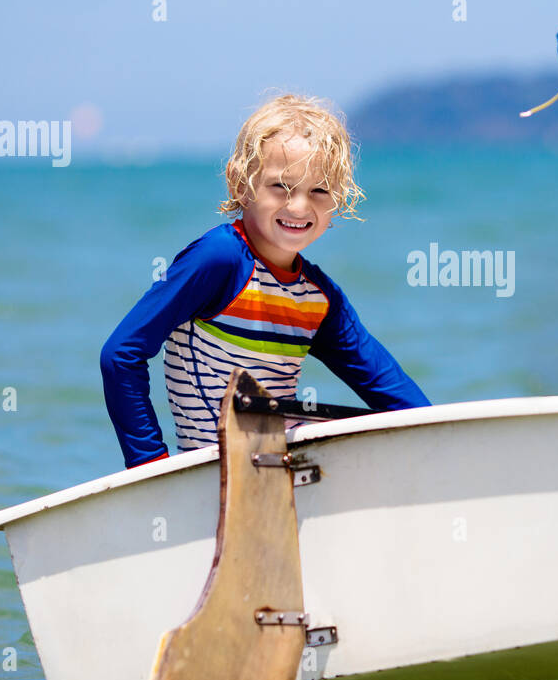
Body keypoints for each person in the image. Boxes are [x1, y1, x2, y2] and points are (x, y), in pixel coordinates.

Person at [101, 93, 429, 469]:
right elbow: (121, 354)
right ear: (240, 183)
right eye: (281, 187)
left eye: (319, 191)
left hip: (278, 476)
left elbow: (393, 394)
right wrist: (150, 467)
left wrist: (448, 442)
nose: (300, 206)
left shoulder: (316, 298)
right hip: (207, 478)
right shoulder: (221, 260)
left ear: (337, 199)